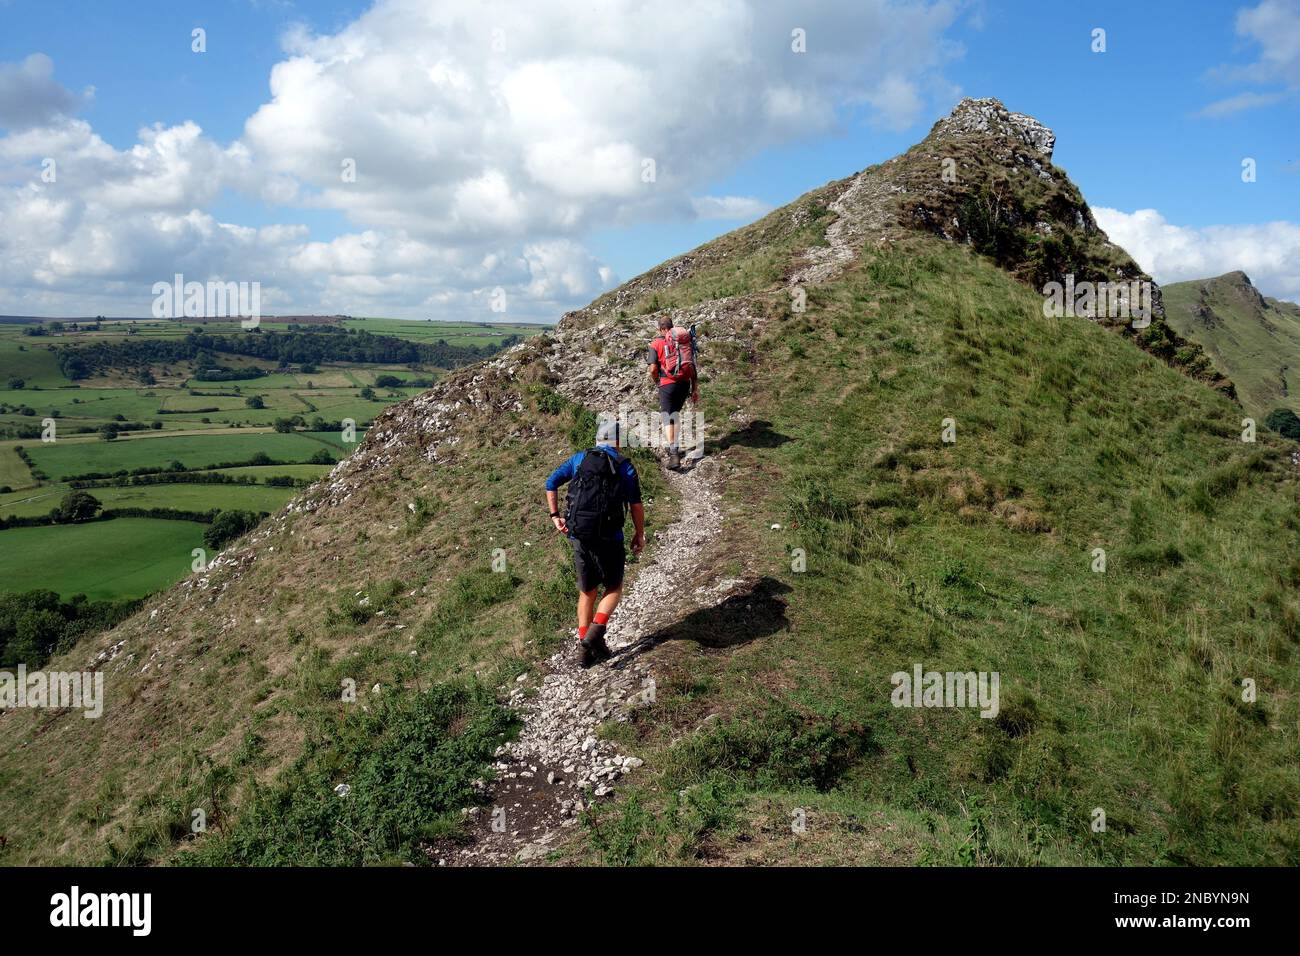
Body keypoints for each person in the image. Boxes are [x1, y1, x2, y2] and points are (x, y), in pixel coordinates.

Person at [545, 419, 646, 668]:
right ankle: (595, 632)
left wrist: (555, 517)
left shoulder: (579, 459)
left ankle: (584, 646)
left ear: (597, 440)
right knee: (613, 588)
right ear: (618, 442)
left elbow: (551, 483)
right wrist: (639, 533)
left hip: (579, 535)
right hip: (610, 536)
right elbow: (635, 504)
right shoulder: (624, 466)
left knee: (587, 591)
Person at [646, 316, 699, 469]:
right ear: (672, 327)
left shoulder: (655, 343)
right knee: (674, 415)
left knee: (667, 418)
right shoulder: (683, 341)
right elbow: (692, 364)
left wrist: (656, 381)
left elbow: (653, 369)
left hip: (667, 384)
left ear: (659, 328)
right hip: (684, 384)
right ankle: (673, 446)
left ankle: (674, 454)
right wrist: (694, 388)